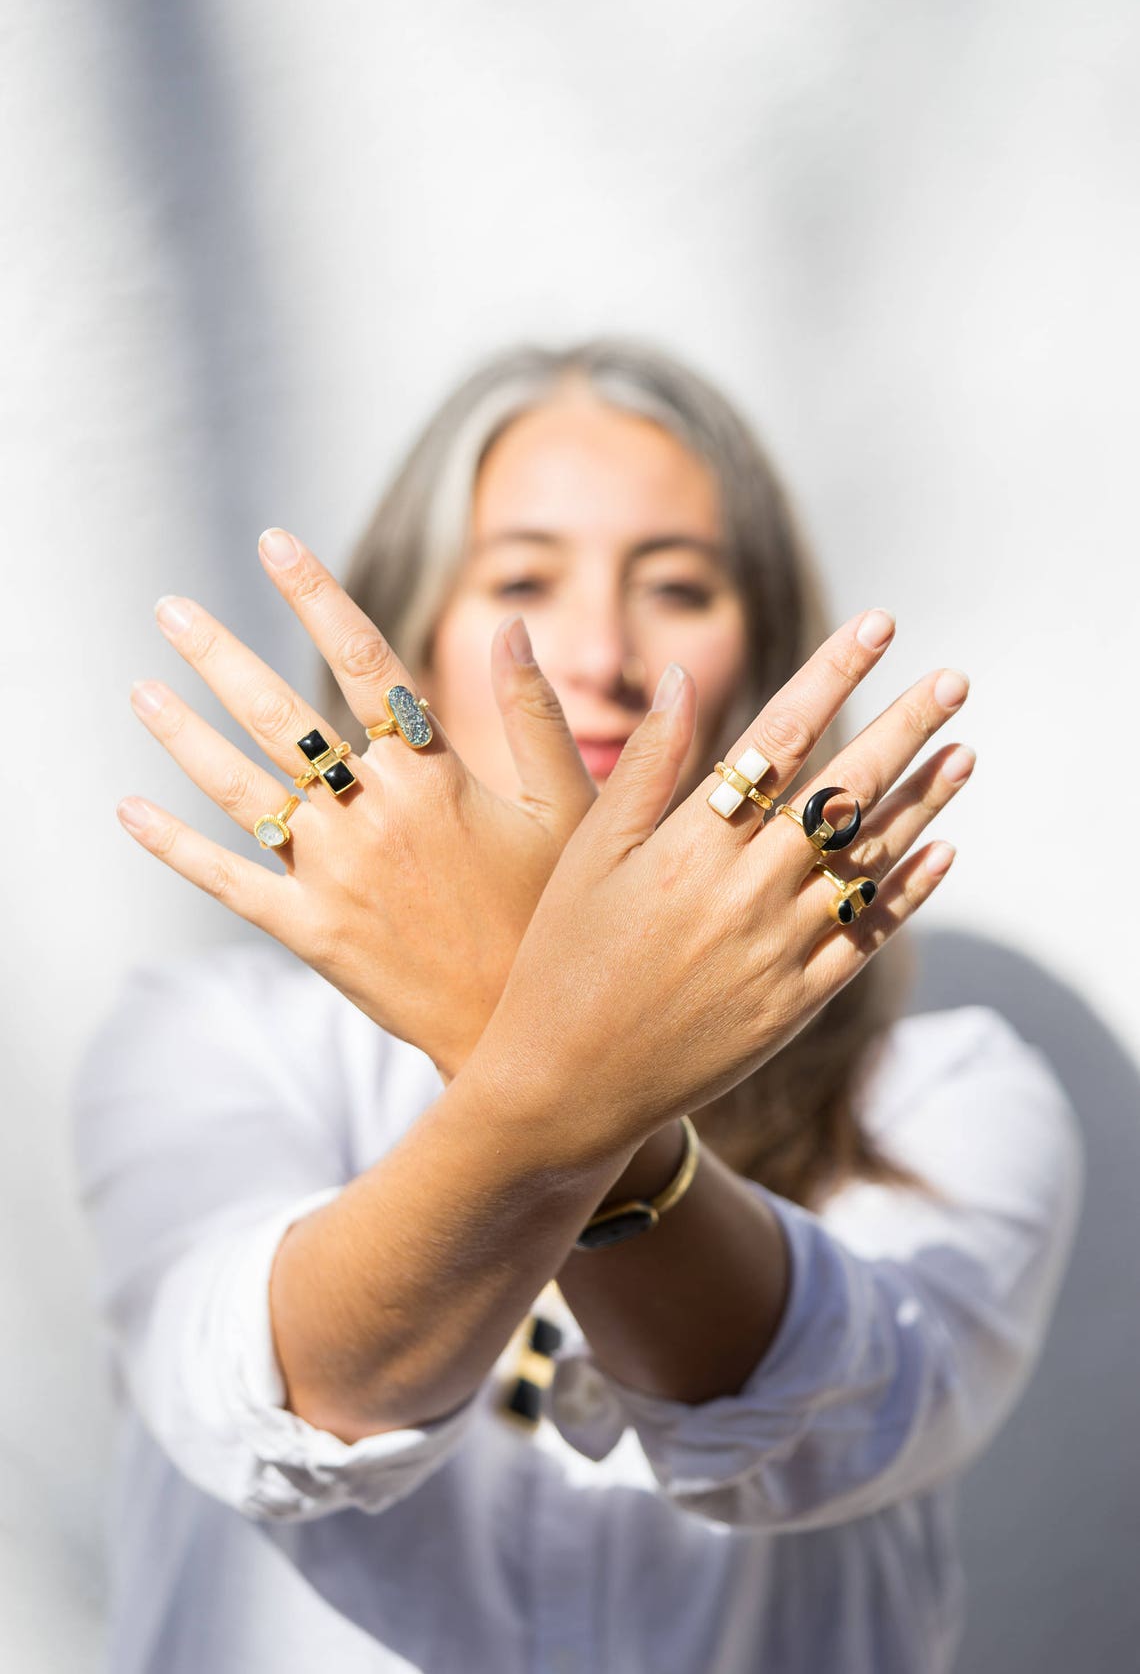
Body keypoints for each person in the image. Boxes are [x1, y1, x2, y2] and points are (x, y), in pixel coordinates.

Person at [72, 338, 1082, 1674]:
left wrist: (545, 1050)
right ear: (415, 637)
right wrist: (568, 1048)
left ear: (763, 648)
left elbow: (827, 1418)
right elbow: (281, 1397)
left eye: (677, 585)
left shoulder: (946, 1090)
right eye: (523, 578)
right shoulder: (208, 1039)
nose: (599, 652)